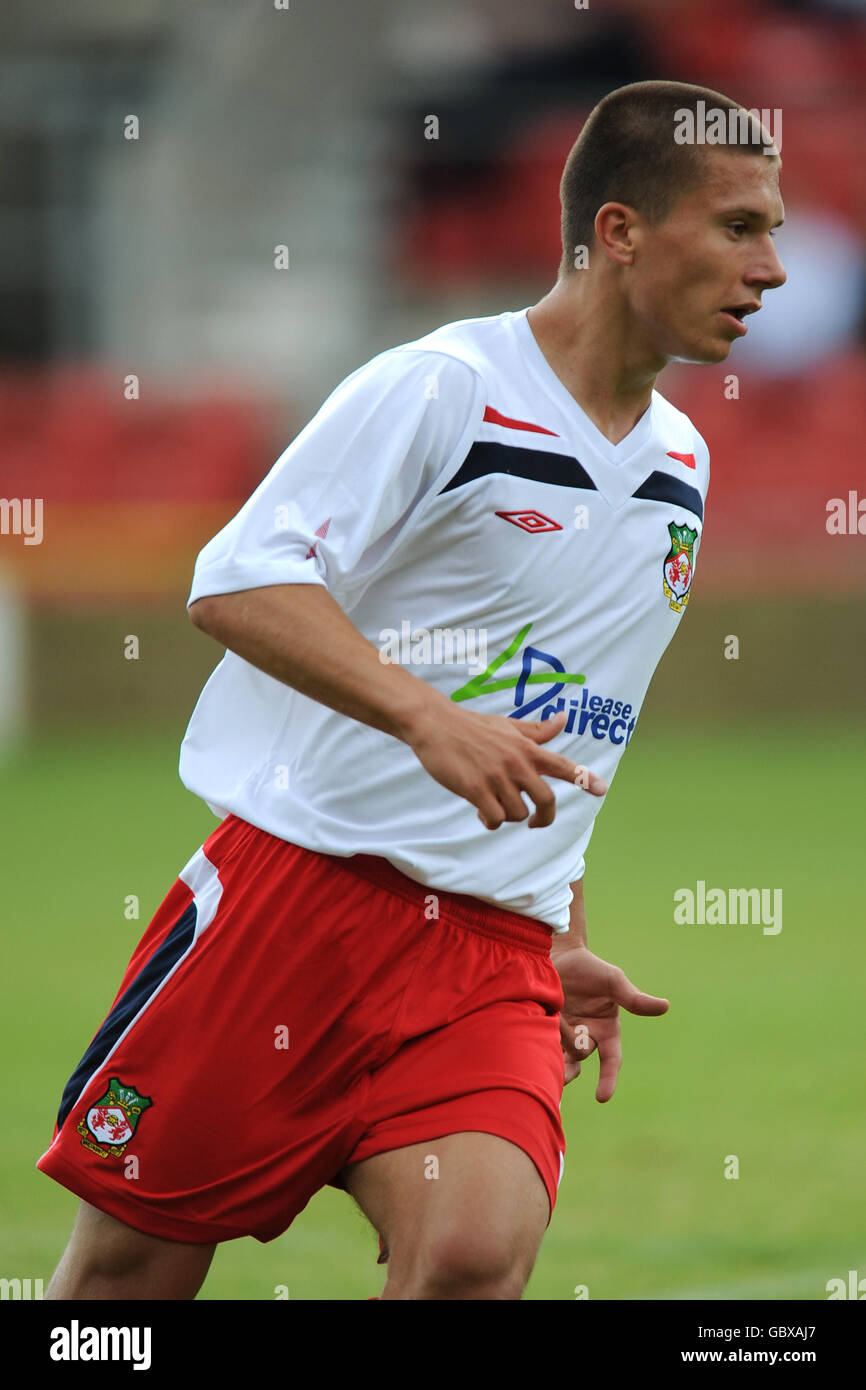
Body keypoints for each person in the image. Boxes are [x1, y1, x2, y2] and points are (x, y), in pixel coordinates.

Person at [37, 79, 786, 1301]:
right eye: (740, 227)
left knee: (472, 1255)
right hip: (295, 906)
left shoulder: (681, 460)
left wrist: (559, 932)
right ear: (618, 231)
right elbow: (235, 579)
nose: (773, 268)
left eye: (775, 231)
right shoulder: (441, 386)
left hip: (487, 953)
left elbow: (564, 709)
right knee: (123, 1283)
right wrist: (424, 715)